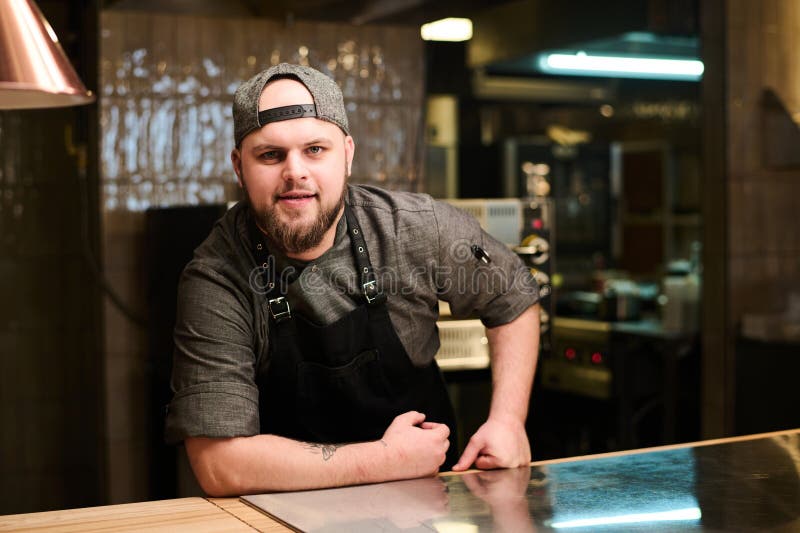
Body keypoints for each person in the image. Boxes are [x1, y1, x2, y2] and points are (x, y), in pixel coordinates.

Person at [165, 63, 540, 497]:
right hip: (285, 515)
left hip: (428, 507)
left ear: (347, 153)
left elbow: (512, 295)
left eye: (315, 149)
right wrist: (385, 460)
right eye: (270, 154)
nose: (295, 172)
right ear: (239, 166)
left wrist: (509, 421)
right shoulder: (217, 278)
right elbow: (220, 465)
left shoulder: (414, 229)